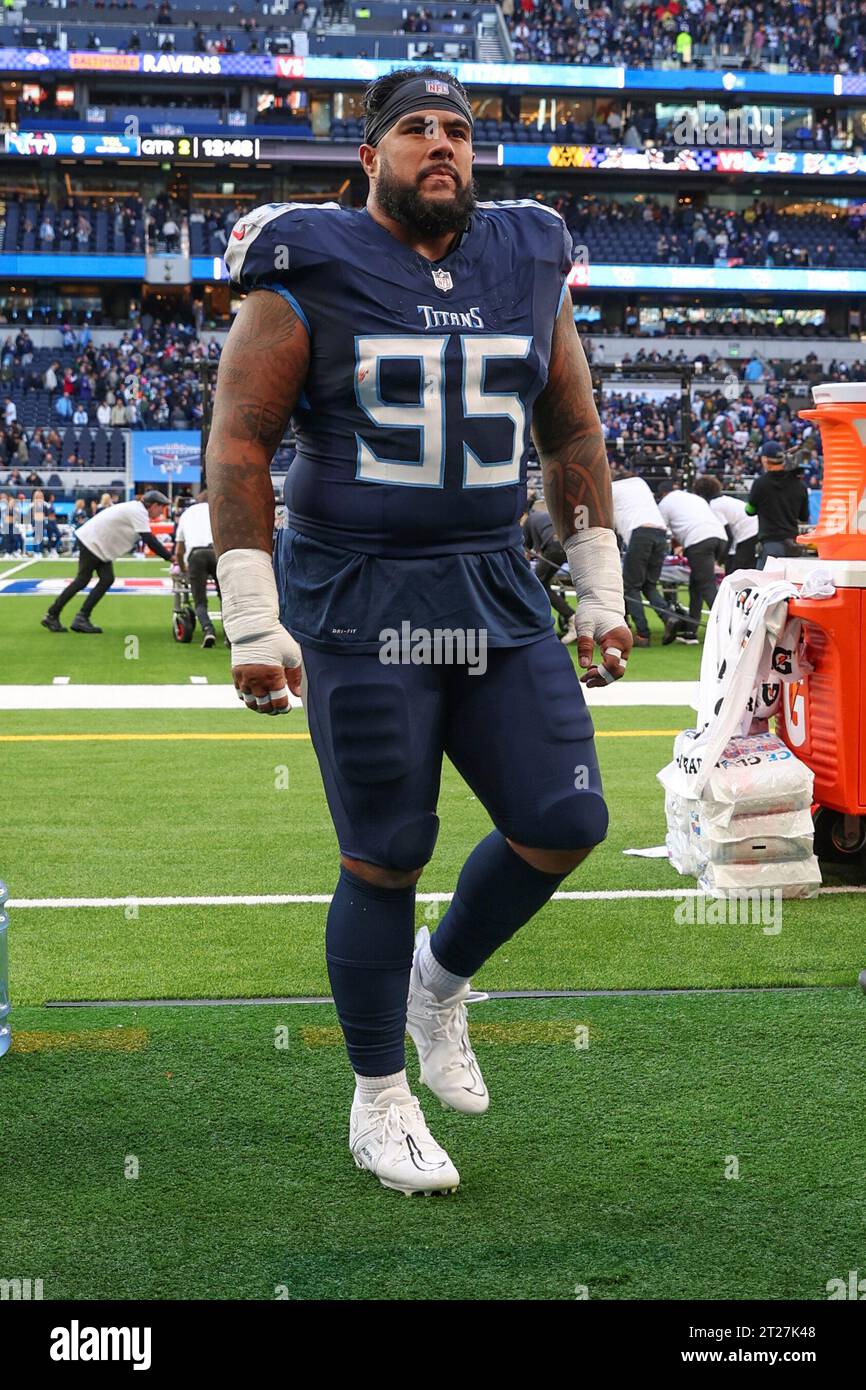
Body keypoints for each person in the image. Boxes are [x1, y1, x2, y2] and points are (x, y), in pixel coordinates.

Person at [208, 65, 630, 1196]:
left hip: (490, 586)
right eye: (412, 130)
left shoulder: (527, 251)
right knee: (386, 849)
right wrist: (253, 617)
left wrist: (598, 583)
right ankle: (377, 1099)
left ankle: (436, 983)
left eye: (454, 129)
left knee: (564, 816)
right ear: (368, 155)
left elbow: (572, 428)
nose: (438, 145)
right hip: (360, 593)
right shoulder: (309, 256)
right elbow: (241, 440)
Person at [41, 490, 173, 634]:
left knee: (105, 579)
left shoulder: (136, 508)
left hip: (95, 542)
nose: (162, 512)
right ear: (153, 505)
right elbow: (149, 539)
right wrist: (170, 557)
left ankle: (77, 617)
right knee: (83, 579)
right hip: (93, 541)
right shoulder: (139, 511)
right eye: (162, 507)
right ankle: (55, 615)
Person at [657, 481, 727, 644]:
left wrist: (675, 546)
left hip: (699, 541)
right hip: (720, 538)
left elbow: (661, 530)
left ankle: (727, 630)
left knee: (706, 586)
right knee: (695, 585)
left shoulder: (665, 504)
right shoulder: (693, 498)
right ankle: (691, 632)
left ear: (662, 494)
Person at [611, 468, 672, 647]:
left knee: (631, 586)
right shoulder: (640, 483)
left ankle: (643, 635)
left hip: (640, 534)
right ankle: (668, 617)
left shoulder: (612, 490)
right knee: (649, 585)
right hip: (661, 533)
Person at [746, 441, 810, 570]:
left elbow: (749, 510)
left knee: (765, 585)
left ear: (764, 460)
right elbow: (804, 516)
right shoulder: (799, 485)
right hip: (793, 546)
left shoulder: (760, 484)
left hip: (770, 545)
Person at [521, 501, 575, 642]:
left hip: (555, 546)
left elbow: (526, 553)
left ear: (523, 515)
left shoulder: (528, 521)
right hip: (569, 544)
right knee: (542, 583)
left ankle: (571, 619)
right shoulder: (542, 517)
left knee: (536, 584)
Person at [174, 489, 220, 648]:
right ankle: (229, 636)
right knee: (225, 597)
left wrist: (182, 568)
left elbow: (179, 551)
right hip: (216, 553)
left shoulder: (187, 514)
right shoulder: (217, 511)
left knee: (200, 601)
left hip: (196, 555)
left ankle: (208, 630)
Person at [693, 474, 758, 572]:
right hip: (751, 529)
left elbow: (728, 537)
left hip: (748, 532)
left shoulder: (715, 506)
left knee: (737, 571)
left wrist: (719, 561)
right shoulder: (723, 500)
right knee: (736, 567)